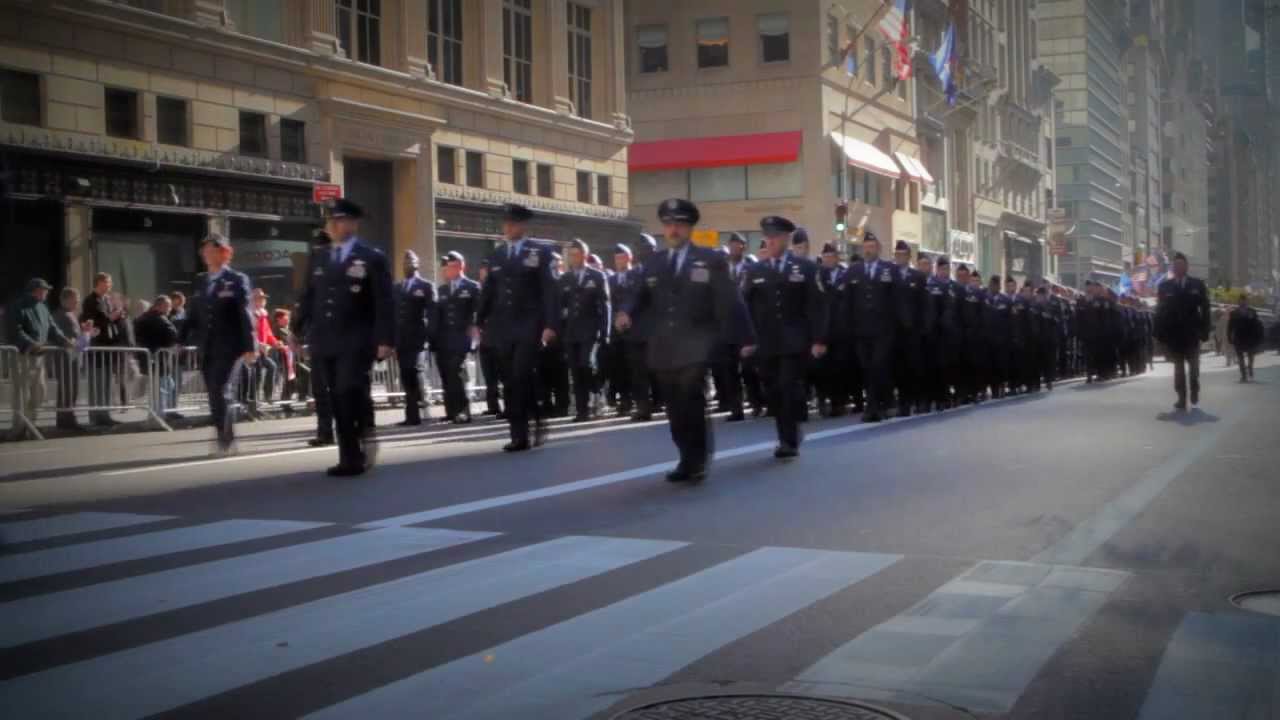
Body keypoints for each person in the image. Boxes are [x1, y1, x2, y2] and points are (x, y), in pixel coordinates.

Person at [616, 198, 740, 482]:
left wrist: (736, 338)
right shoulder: (655, 262)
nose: (673, 230)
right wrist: (625, 312)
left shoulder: (710, 260)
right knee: (674, 404)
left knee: (691, 398)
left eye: (680, 225)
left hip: (697, 344)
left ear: (690, 228)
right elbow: (637, 294)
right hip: (663, 345)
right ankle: (686, 454)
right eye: (669, 224)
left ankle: (696, 459)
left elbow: (727, 302)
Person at [298, 199, 395, 475]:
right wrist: (296, 329)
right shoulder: (320, 256)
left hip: (357, 338)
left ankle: (354, 453)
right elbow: (308, 296)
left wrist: (385, 339)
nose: (334, 225)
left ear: (353, 223)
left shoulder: (371, 257)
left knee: (347, 391)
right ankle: (351, 449)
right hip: (325, 339)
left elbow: (384, 301)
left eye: (339, 220)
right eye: (331, 221)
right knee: (335, 395)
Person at [740, 216, 826, 458]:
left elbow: (817, 306)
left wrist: (819, 339)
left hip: (794, 341)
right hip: (766, 343)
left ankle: (788, 440)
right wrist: (746, 339)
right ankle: (787, 432)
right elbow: (744, 306)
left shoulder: (805, 268)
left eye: (776, 237)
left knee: (788, 387)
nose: (771, 241)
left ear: (786, 239)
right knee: (773, 391)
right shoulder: (755, 270)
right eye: (767, 237)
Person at [477, 203, 560, 452]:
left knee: (521, 374)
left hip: (530, 325)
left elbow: (550, 292)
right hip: (503, 327)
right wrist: (478, 321)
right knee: (510, 380)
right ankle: (518, 433)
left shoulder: (541, 252)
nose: (508, 227)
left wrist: (550, 324)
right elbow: (488, 292)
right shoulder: (497, 255)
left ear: (523, 225)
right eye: (505, 223)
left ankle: (528, 430)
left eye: (513, 223)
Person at [184, 234, 257, 454]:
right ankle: (224, 436)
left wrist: (250, 346)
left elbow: (245, 313)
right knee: (214, 394)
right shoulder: (201, 281)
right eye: (204, 249)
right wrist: (180, 339)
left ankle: (225, 441)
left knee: (221, 389)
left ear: (224, 252)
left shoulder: (236, 279)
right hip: (208, 347)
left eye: (211, 249)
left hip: (230, 346)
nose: (206, 253)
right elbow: (193, 314)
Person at [836, 232, 904, 422]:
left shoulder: (889, 269)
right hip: (861, 329)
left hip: (884, 330)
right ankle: (874, 405)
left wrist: (898, 325)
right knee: (867, 367)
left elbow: (897, 300)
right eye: (865, 247)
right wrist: (846, 326)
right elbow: (846, 302)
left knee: (879, 365)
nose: (868, 250)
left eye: (872, 246)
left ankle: (881, 403)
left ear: (878, 248)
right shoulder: (853, 271)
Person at [6, 278, 74, 438]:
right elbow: (14, 330)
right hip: (22, 356)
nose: (47, 292)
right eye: (45, 290)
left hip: (39, 357)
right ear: (36, 290)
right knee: (22, 393)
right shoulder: (18, 306)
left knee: (40, 392)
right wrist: (32, 344)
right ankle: (18, 429)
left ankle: (30, 425)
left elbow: (52, 328)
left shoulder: (43, 308)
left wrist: (65, 341)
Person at [557, 239, 611, 422]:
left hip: (590, 330)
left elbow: (605, 306)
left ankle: (596, 396)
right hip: (571, 332)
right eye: (570, 255)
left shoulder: (597, 276)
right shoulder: (565, 278)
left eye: (576, 254)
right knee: (576, 369)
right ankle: (582, 410)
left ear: (585, 256)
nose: (572, 258)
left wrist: (606, 331)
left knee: (586, 365)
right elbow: (560, 306)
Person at [1154, 252, 1211, 410]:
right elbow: (1160, 311)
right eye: (1176, 264)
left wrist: (1205, 330)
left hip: (1192, 334)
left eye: (1181, 264)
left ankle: (1194, 389)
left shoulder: (1197, 285)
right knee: (1178, 368)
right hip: (1174, 335)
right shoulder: (1165, 287)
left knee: (1193, 368)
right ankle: (1181, 397)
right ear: (1173, 267)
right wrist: (1158, 333)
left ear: (1187, 266)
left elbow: (1205, 309)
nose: (1178, 267)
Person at [432, 251, 481, 424]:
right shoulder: (442, 290)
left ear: (461, 266)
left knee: (457, 373)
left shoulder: (473, 287)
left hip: (462, 338)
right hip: (444, 339)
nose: (448, 270)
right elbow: (437, 316)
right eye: (447, 267)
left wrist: (474, 335)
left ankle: (463, 411)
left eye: (452, 266)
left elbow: (477, 313)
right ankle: (451, 410)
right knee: (446, 374)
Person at [393, 250, 436, 427]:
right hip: (402, 339)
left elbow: (433, 312)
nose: (408, 263)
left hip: (418, 338)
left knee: (416, 370)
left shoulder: (426, 286)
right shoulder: (397, 288)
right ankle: (412, 415)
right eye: (405, 261)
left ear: (418, 263)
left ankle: (424, 405)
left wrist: (430, 335)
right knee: (406, 374)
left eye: (411, 260)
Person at [80, 272, 125, 426]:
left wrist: (118, 317)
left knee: (106, 382)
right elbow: (93, 321)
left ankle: (104, 414)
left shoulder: (106, 300)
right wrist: (111, 317)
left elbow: (109, 320)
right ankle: (95, 416)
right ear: (98, 283)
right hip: (96, 348)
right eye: (107, 282)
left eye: (110, 282)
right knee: (96, 382)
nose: (109, 285)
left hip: (107, 347)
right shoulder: (90, 301)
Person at [892, 240, 931, 416]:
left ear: (908, 256)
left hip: (915, 330)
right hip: (896, 330)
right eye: (897, 254)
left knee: (916, 367)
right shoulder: (890, 275)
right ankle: (904, 403)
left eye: (902, 255)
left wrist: (925, 328)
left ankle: (921, 400)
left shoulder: (918, 277)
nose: (899, 257)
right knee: (899, 368)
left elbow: (925, 305)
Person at [816, 243, 850, 417]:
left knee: (840, 367)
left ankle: (839, 403)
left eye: (831, 257)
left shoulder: (846, 275)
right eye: (825, 257)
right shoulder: (817, 275)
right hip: (823, 328)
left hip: (841, 328)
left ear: (837, 258)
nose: (828, 260)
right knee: (823, 368)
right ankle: (823, 400)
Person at [52, 287, 91, 431]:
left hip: (72, 357)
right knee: (67, 388)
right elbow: (68, 338)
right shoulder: (61, 315)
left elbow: (76, 338)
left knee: (71, 388)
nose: (78, 302)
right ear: (67, 299)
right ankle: (66, 419)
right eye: (75, 300)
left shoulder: (70, 314)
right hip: (66, 358)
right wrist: (84, 334)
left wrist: (86, 332)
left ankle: (66, 418)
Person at [606, 244, 637, 417]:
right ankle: (624, 401)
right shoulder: (610, 280)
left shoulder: (636, 275)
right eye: (617, 258)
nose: (619, 261)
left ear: (629, 258)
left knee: (635, 367)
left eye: (622, 257)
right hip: (616, 331)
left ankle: (639, 400)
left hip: (634, 329)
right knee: (619, 368)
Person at [475, 259, 503, 418]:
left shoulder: (498, 290)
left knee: (503, 374)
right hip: (484, 337)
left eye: (486, 270)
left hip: (498, 337)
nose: (483, 273)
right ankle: (493, 406)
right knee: (489, 375)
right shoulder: (477, 289)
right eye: (482, 270)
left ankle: (508, 406)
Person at [955, 264, 988, 404]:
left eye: (964, 276)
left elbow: (983, 315)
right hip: (957, 335)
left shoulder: (977, 294)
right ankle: (961, 393)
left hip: (974, 335)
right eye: (959, 276)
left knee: (973, 364)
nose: (962, 278)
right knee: (959, 365)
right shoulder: (953, 290)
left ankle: (973, 391)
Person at [1227, 299, 1264, 382]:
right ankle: (1244, 374)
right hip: (1240, 338)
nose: (1243, 304)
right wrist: (1229, 337)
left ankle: (1249, 370)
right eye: (1241, 302)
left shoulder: (1252, 312)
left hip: (1248, 338)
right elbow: (1230, 326)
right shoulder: (1234, 313)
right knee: (1241, 358)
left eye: (1244, 302)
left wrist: (1259, 337)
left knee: (1249, 356)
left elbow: (1257, 324)